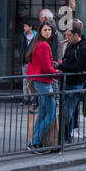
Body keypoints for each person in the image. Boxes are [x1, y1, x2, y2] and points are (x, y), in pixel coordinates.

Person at [56, 20, 86, 144]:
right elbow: (66, 61)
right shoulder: (71, 45)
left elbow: (79, 68)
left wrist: (61, 67)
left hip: (75, 84)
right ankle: (66, 137)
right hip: (67, 82)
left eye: (69, 35)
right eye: (66, 35)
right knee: (67, 112)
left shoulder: (84, 48)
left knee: (67, 112)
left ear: (77, 35)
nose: (67, 37)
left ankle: (64, 137)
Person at [25, 20, 57, 152]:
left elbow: (43, 64)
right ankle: (36, 142)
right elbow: (46, 68)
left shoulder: (37, 43)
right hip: (44, 82)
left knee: (43, 113)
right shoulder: (43, 45)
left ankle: (34, 142)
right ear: (40, 31)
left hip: (39, 81)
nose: (48, 32)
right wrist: (58, 72)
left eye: (49, 30)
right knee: (51, 113)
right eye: (45, 30)